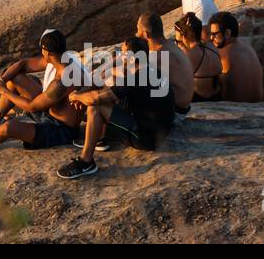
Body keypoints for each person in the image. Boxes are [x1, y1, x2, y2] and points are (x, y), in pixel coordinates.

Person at [57, 37, 175, 180]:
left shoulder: (135, 78)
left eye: (123, 53)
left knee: (96, 107)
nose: (120, 55)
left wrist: (76, 96)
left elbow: (95, 99)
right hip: (161, 130)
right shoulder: (150, 70)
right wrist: (107, 74)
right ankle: (100, 136)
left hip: (147, 138)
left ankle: (86, 162)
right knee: (111, 89)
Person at [0, 29, 82, 153]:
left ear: (48, 53)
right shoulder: (62, 59)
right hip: (50, 112)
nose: (41, 52)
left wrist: (3, 91)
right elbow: (23, 64)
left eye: (41, 50)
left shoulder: (62, 81)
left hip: (60, 129)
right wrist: (1, 82)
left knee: (9, 127)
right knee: (16, 79)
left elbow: (31, 107)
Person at [210, 12, 264, 101]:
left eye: (215, 34)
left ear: (227, 33)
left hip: (236, 110)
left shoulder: (223, 54)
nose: (211, 38)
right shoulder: (248, 48)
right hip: (257, 107)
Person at [175, 14, 222, 101]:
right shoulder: (213, 47)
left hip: (199, 99)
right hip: (217, 96)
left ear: (184, 37)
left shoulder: (189, 56)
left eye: (179, 41)